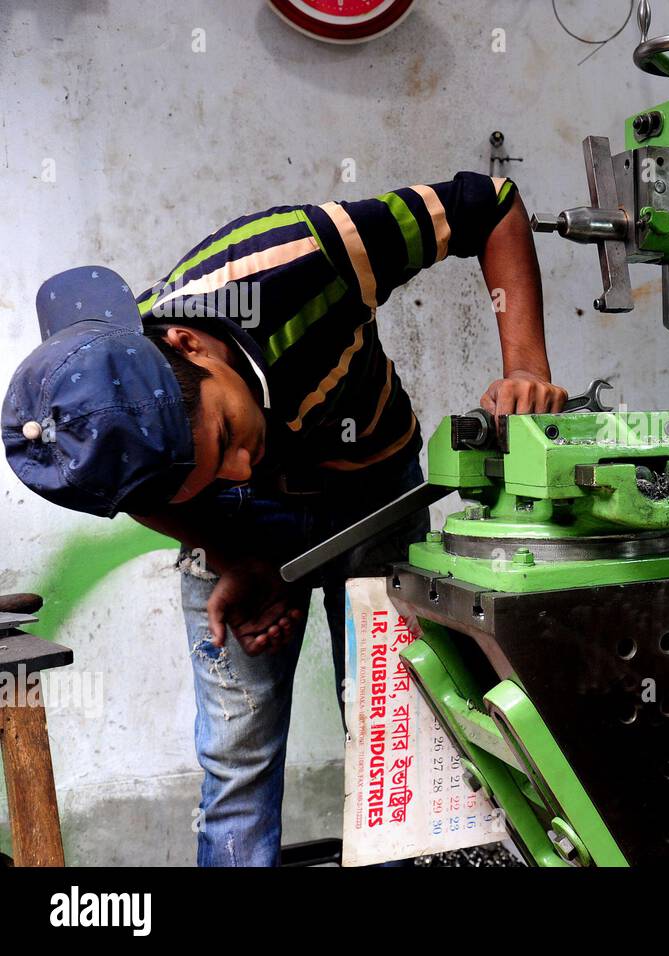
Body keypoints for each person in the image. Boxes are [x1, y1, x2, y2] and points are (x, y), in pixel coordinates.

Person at [3, 172, 566, 865]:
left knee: (395, 739)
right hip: (238, 529)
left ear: (187, 345)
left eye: (226, 437)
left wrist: (527, 366)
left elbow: (490, 204)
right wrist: (228, 553)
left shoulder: (299, 260)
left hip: (375, 496)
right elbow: (143, 495)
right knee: (236, 764)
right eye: (201, 479)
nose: (241, 469)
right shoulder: (119, 442)